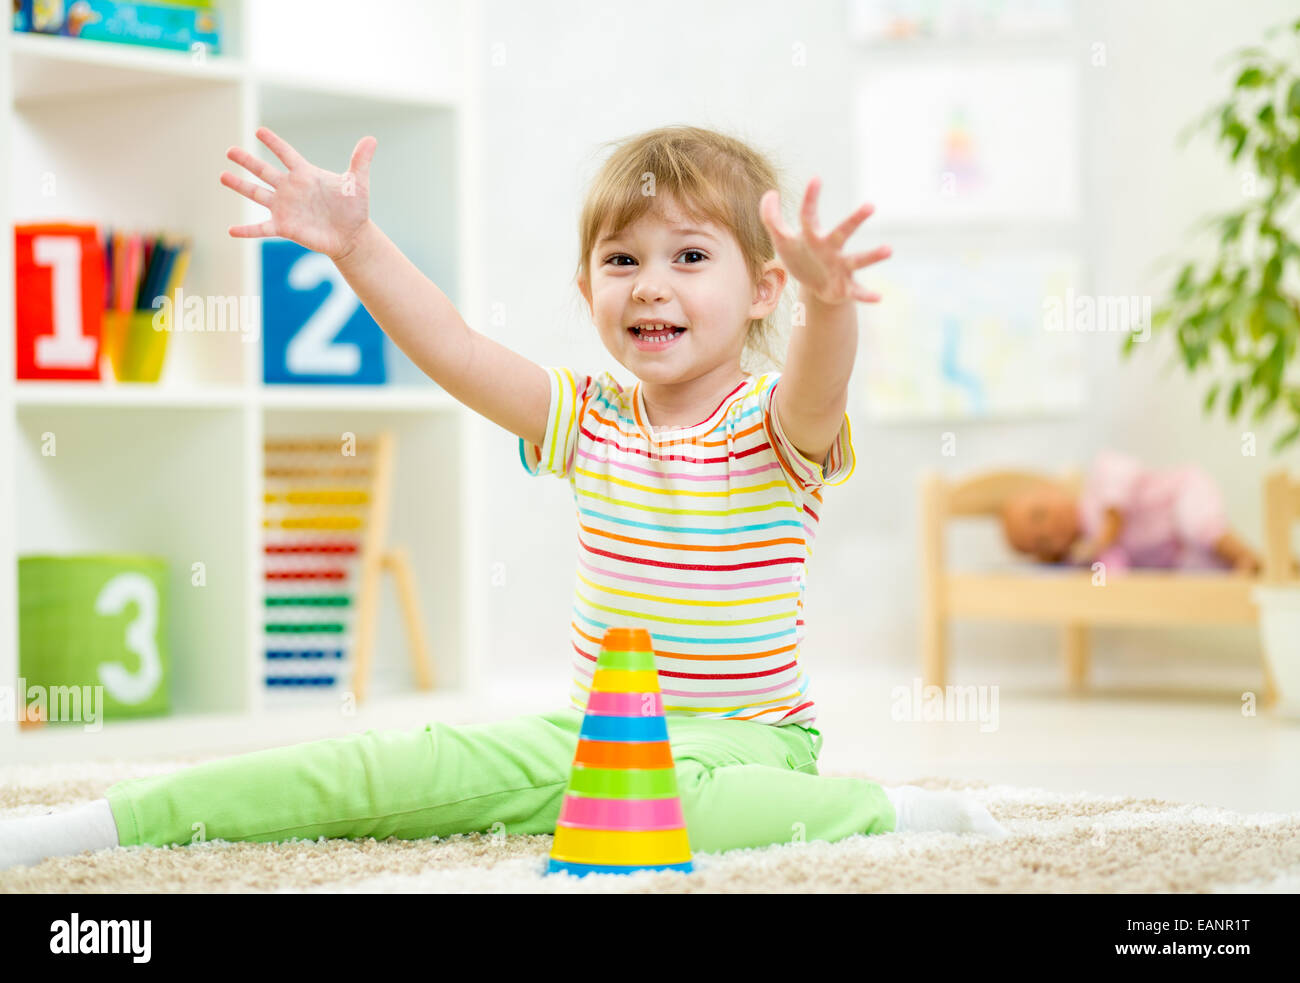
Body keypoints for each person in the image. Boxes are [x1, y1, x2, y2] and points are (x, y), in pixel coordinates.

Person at [1, 124, 1007, 874]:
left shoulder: (775, 425)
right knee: (373, 772)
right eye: (623, 261)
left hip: (746, 740)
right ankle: (108, 820)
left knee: (661, 810)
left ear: (760, 290)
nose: (651, 284)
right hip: (589, 732)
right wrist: (357, 246)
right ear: (588, 291)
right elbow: (457, 350)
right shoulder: (590, 416)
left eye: (689, 256)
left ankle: (881, 809)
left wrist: (829, 303)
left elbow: (820, 385)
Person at [1000, 449, 1262, 573]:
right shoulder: (1091, 554)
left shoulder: (1099, 482)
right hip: (1179, 550)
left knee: (1202, 527)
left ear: (1051, 492)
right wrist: (1090, 559)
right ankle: (1274, 567)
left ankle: (1246, 555)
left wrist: (1112, 518)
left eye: (1039, 514)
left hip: (1181, 496)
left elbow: (1121, 472)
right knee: (1209, 568)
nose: (1049, 528)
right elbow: (1117, 571)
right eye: (1042, 542)